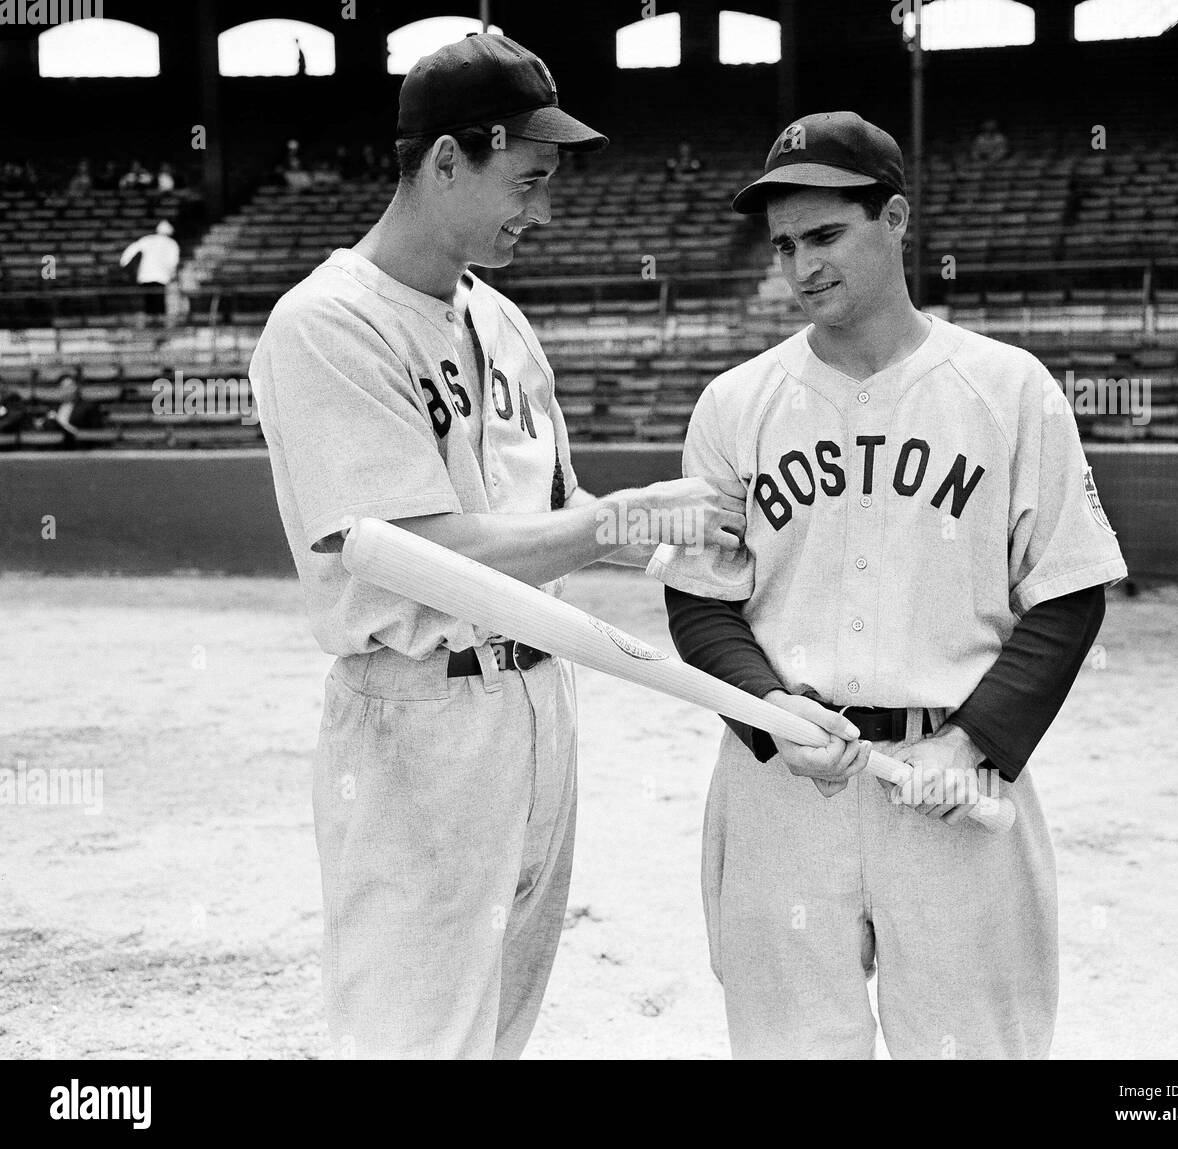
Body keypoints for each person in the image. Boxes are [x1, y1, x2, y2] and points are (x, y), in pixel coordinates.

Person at [248, 33, 744, 1060]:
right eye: (525, 178)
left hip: (537, 700)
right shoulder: (327, 324)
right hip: (417, 710)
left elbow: (552, 517)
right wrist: (635, 516)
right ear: (442, 160)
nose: (541, 208)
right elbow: (424, 550)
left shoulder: (504, 321)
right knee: (413, 1036)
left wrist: (679, 549)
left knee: (501, 1029)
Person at [649, 112, 1128, 1060]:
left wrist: (975, 740)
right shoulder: (737, 403)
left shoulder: (1008, 388)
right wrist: (768, 707)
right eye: (784, 244)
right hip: (784, 779)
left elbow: (1070, 594)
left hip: (953, 778)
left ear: (896, 219)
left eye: (826, 235)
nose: (801, 267)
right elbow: (701, 598)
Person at [119, 221, 180, 320]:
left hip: (145, 276)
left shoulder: (147, 239)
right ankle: (158, 324)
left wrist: (123, 262)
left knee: (149, 301)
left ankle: (150, 322)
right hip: (161, 276)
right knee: (159, 302)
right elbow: (173, 261)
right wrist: (172, 273)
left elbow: (131, 250)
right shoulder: (172, 243)